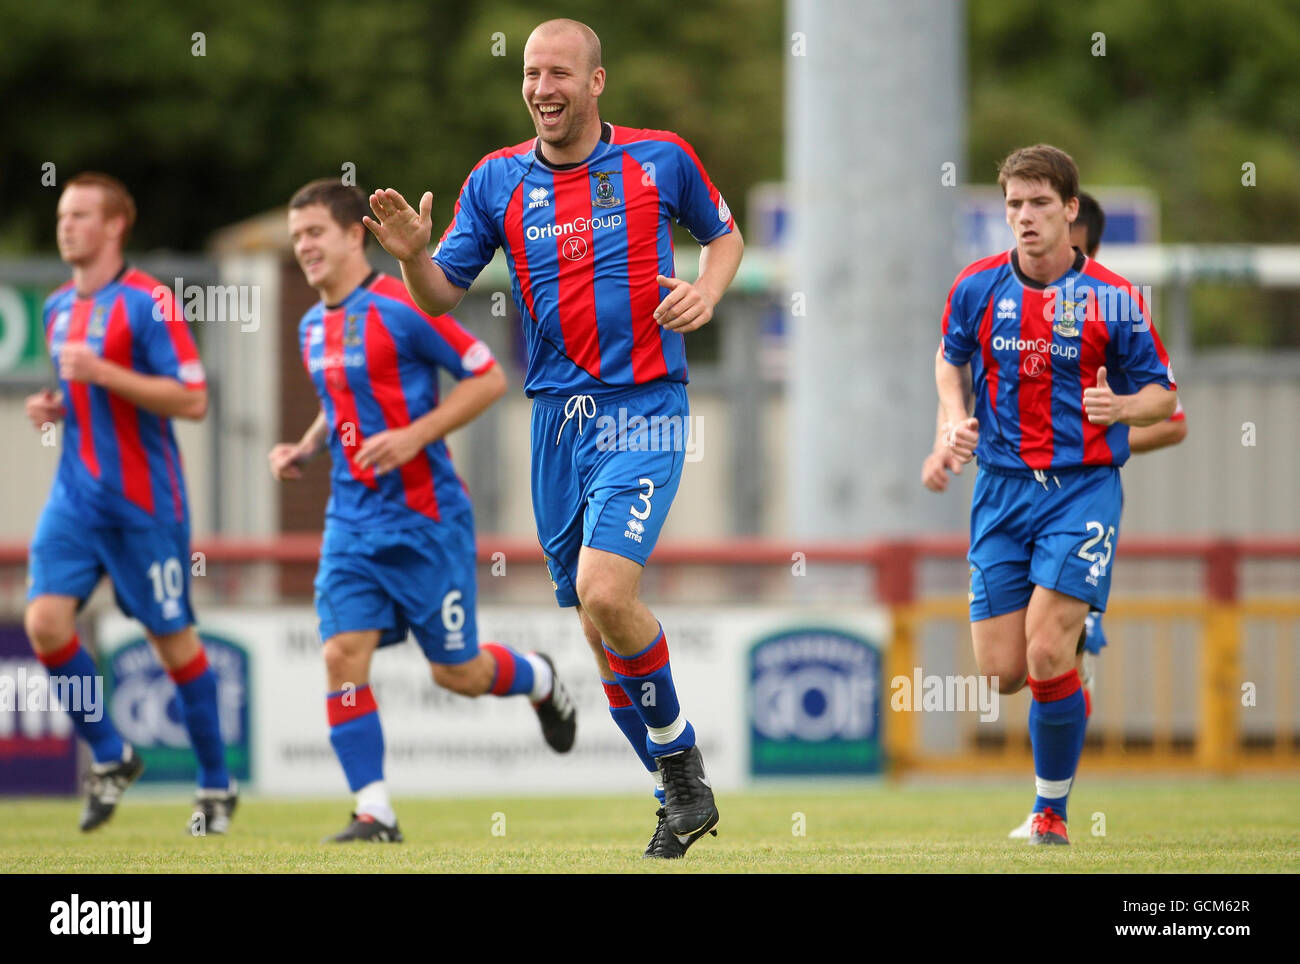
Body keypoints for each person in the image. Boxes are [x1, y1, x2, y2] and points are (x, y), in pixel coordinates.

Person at [363, 18, 744, 858]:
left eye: (560, 73)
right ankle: (673, 797)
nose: (542, 88)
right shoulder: (496, 181)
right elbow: (438, 296)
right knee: (594, 627)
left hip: (643, 406)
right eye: (532, 74)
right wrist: (413, 258)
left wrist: (709, 293)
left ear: (596, 82)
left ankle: (680, 767)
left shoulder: (659, 159)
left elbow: (724, 235)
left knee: (608, 592)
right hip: (556, 426)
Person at [271, 179, 577, 843]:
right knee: (341, 653)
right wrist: (308, 444)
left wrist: (414, 435)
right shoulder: (311, 324)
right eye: (297, 238)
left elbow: (489, 376)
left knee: (456, 672)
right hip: (351, 524)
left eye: (316, 233)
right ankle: (374, 811)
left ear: (355, 234)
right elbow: (343, 396)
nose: (305, 248)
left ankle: (541, 679)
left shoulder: (403, 306)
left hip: (425, 522)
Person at [935, 146, 1177, 845]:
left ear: (1071, 210)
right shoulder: (976, 287)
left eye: (1040, 203)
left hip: (1081, 491)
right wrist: (954, 423)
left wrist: (1121, 409)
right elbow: (949, 360)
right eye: (1014, 205)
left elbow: (1164, 396)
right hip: (1000, 493)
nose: (1026, 217)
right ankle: (1069, 653)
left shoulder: (1113, 298)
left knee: (1044, 651)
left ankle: (1051, 812)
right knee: (1004, 672)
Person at [24, 172, 235, 833]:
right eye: (63, 213)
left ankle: (214, 787)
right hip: (75, 500)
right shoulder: (58, 307)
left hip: (145, 506)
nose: (67, 225)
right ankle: (112, 754)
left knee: (173, 645)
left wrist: (105, 373)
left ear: (116, 225)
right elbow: (84, 394)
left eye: (81, 214)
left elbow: (194, 399)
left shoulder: (151, 303)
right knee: (45, 624)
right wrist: (55, 404)